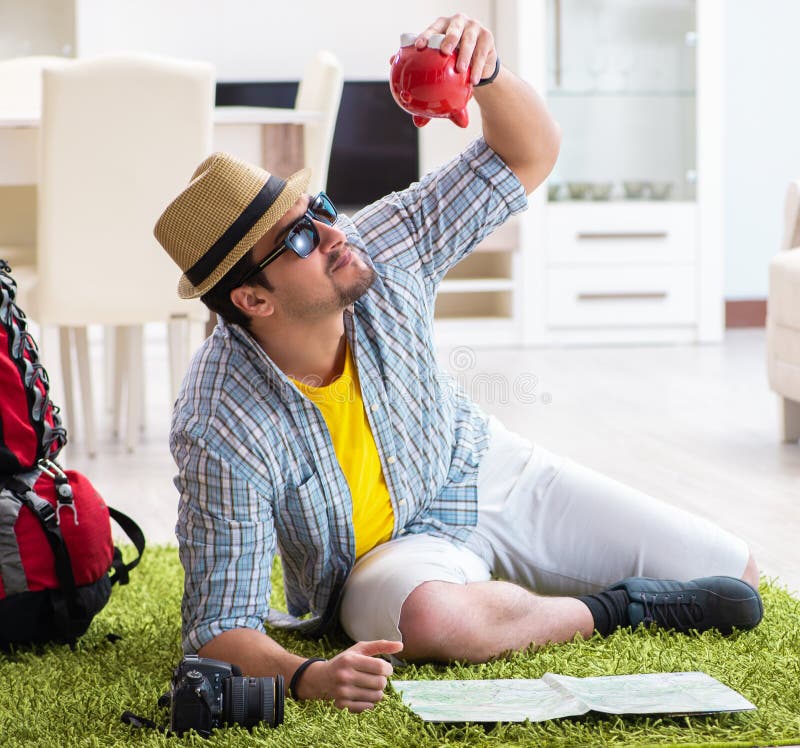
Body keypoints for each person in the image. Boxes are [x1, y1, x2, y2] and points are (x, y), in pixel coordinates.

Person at [154, 13, 762, 714]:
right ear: (252, 298)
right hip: (384, 562)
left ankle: (525, 593)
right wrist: (304, 675)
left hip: (481, 466)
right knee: (441, 621)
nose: (332, 231)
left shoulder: (378, 243)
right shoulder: (220, 419)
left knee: (733, 570)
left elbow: (527, 154)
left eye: (316, 207)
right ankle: (619, 607)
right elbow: (218, 628)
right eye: (297, 237)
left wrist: (488, 74)